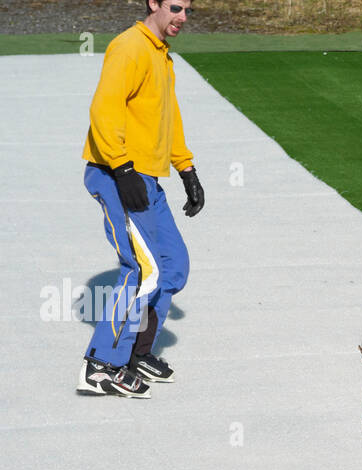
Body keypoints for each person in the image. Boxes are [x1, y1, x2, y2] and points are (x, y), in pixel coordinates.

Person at [77, 0, 204, 397]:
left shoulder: (160, 55)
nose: (182, 17)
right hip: (118, 174)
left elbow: (169, 115)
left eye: (188, 10)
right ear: (153, 3)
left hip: (146, 176)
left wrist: (186, 168)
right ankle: (100, 365)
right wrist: (122, 166)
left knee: (172, 266)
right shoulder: (129, 47)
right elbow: (104, 109)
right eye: (176, 7)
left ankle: (135, 352)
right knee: (140, 269)